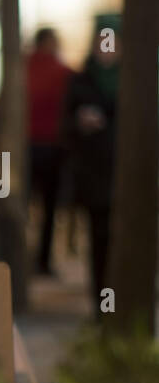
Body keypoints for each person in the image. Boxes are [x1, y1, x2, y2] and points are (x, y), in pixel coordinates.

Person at [63, 17, 120, 305]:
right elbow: (66, 125)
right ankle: (103, 304)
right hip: (95, 175)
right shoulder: (82, 79)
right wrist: (80, 122)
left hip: (125, 174)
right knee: (99, 240)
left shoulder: (132, 79)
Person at [26, 28, 72, 275]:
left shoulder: (23, 69)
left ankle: (33, 257)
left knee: (32, 207)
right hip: (48, 146)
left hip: (33, 147)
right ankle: (41, 260)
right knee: (49, 208)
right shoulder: (59, 72)